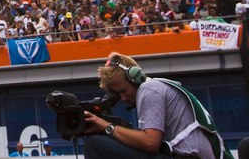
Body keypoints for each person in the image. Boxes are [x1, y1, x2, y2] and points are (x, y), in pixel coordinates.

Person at [83, 53, 231, 159]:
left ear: (134, 77)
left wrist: (106, 126)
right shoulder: (160, 85)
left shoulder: (149, 90)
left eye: (123, 91)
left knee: (94, 143)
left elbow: (150, 142)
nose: (123, 98)